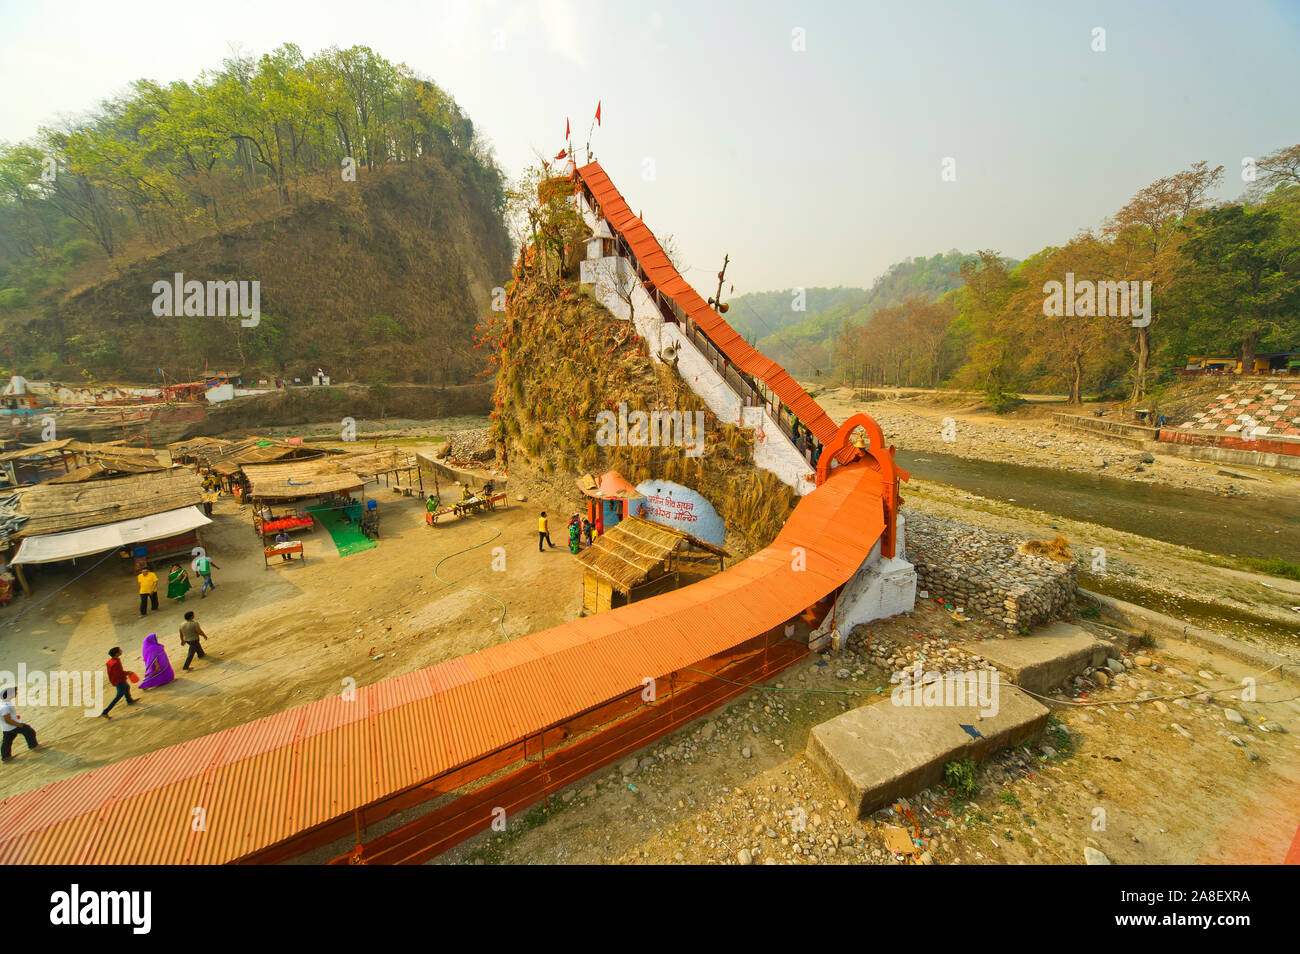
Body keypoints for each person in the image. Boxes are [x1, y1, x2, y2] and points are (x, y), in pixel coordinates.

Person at [1, 686, 38, 762]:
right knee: (29, 730)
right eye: (15, 692)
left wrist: (14, 717)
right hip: (12, 726)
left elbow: (5, 717)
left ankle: (6, 757)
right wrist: (20, 725)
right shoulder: (6, 706)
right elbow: (8, 720)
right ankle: (34, 746)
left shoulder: (2, 704)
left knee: (7, 741)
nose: (16, 693)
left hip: (6, 728)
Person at [100, 647, 137, 717]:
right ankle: (105, 712)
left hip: (116, 680)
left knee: (127, 687)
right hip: (119, 680)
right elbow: (119, 673)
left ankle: (129, 700)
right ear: (117, 654)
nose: (121, 651)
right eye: (120, 650)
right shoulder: (116, 663)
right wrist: (128, 672)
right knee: (119, 695)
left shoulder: (111, 661)